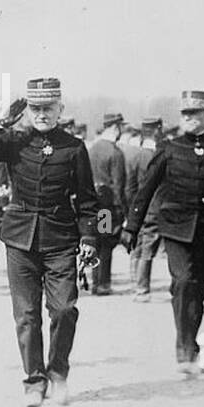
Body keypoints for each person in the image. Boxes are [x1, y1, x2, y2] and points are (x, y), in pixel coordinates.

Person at [0, 78, 99, 407]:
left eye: (47, 108)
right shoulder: (14, 141)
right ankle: (34, 379)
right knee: (26, 315)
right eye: (35, 108)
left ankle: (58, 373)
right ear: (28, 111)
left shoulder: (74, 147)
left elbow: (88, 199)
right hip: (19, 237)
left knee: (64, 309)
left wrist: (91, 237)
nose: (41, 114)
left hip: (61, 238)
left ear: (60, 110)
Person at [124, 90, 204, 374]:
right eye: (185, 114)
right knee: (182, 282)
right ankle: (184, 349)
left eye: (196, 113)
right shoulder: (169, 148)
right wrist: (131, 226)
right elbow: (146, 189)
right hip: (176, 228)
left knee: (199, 291)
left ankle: (190, 342)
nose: (189, 119)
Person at [85, 112, 127, 295]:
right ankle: (103, 283)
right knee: (106, 244)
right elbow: (118, 186)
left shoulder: (92, 149)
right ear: (115, 127)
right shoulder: (115, 152)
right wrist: (122, 210)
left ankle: (95, 281)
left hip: (92, 203)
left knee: (95, 242)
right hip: (107, 206)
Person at [125, 116, 165, 301]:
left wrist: (131, 209)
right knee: (148, 248)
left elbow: (129, 187)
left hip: (136, 208)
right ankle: (142, 288)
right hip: (154, 208)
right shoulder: (159, 156)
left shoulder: (134, 155)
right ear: (157, 130)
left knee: (137, 245)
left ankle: (134, 283)